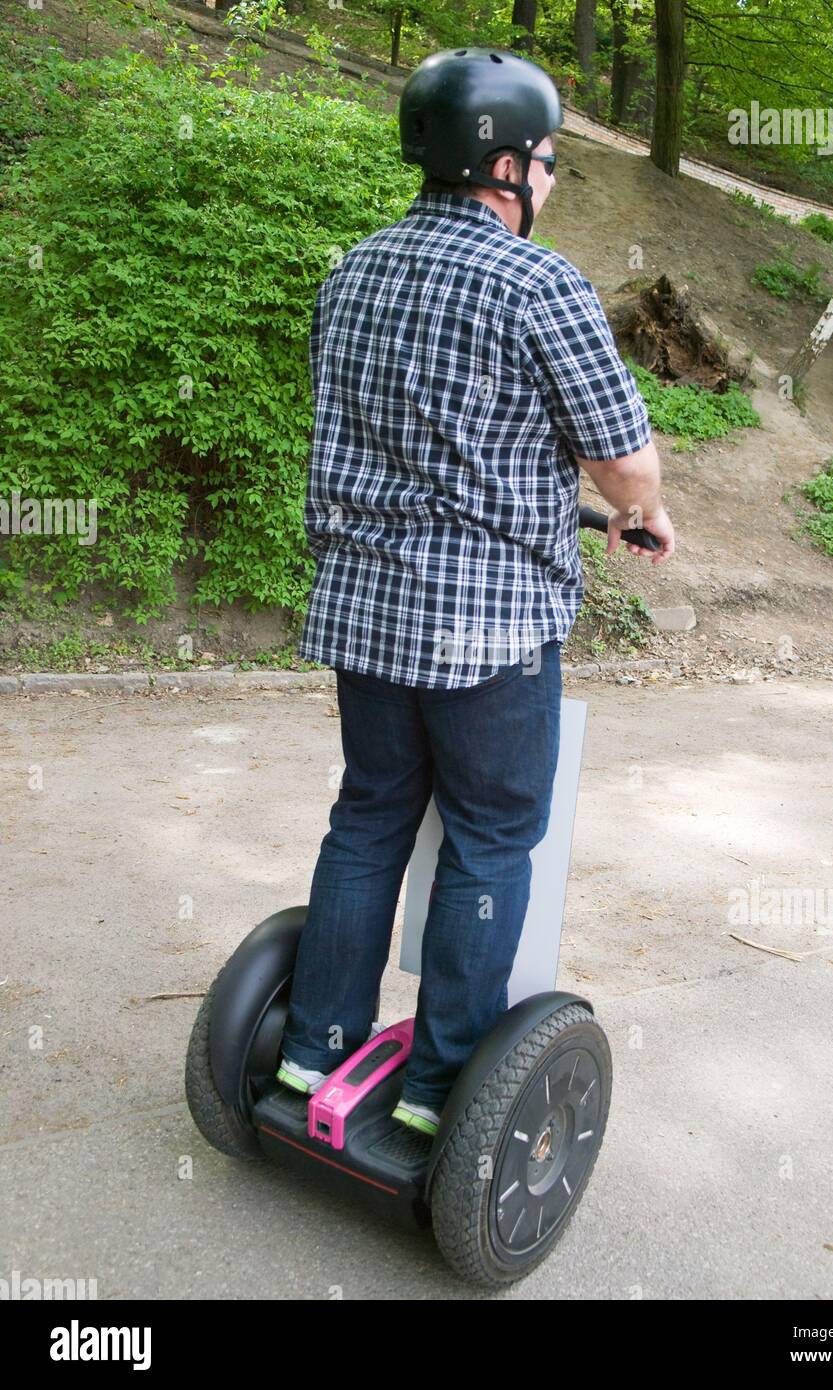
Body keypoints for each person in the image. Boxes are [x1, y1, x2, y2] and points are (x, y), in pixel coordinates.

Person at [276, 46, 675, 1136]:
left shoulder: (353, 268)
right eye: (546, 161)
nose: (547, 181)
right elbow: (626, 464)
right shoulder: (539, 282)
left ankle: (311, 1053)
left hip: (364, 606)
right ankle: (437, 1085)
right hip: (486, 626)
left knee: (369, 817)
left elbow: (384, 430)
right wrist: (640, 509)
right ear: (505, 165)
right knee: (492, 838)